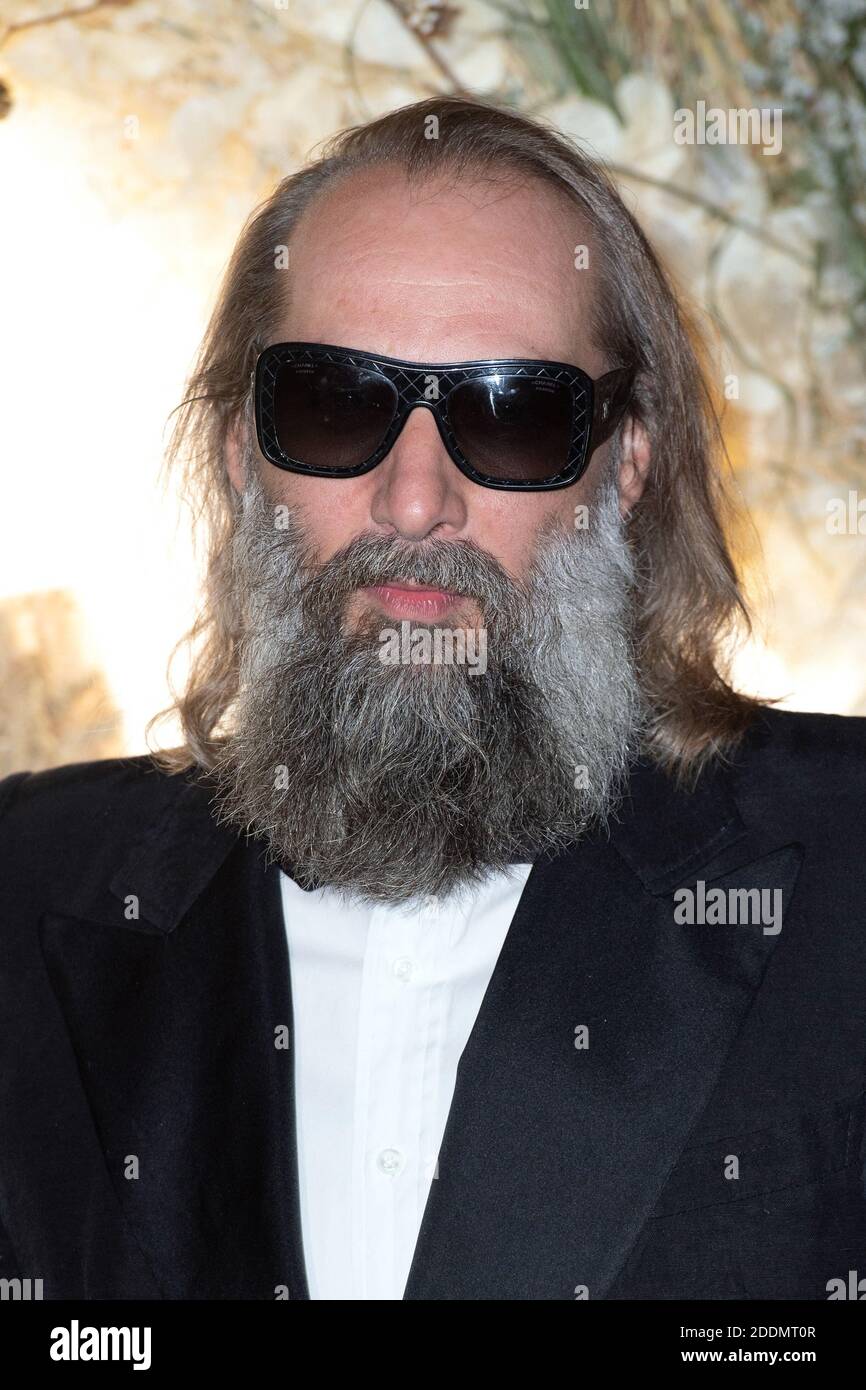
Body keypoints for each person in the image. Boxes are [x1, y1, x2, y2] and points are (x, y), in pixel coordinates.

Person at [1, 95, 864, 1302]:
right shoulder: (25, 884)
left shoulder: (842, 874)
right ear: (243, 456)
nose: (416, 501)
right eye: (334, 402)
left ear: (622, 468)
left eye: (509, 415)